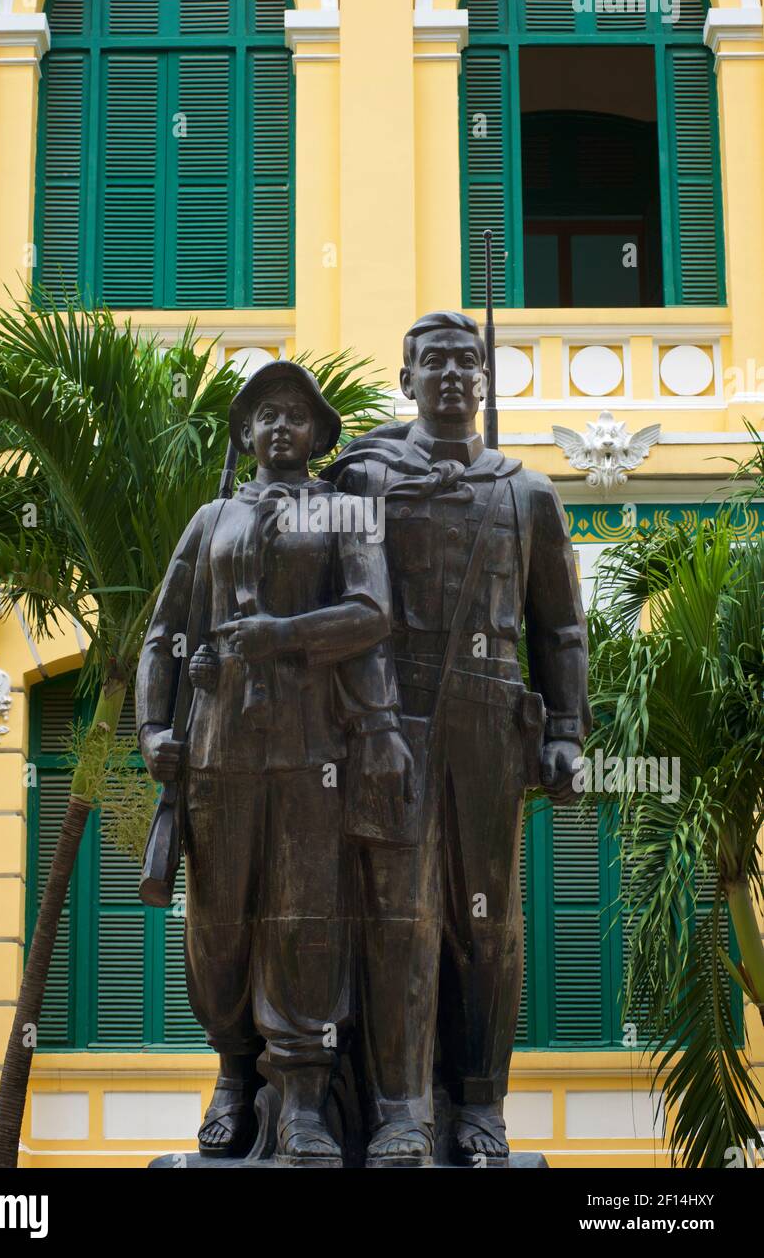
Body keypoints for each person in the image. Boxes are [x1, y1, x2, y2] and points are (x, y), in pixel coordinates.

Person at [326, 311, 591, 1165]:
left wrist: (566, 731)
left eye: (465, 361)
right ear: (405, 381)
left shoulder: (527, 492)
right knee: (397, 918)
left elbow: (560, 629)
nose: (450, 373)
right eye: (432, 361)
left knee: (488, 922)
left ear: (483, 381)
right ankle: (400, 1110)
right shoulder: (360, 479)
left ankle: (479, 1103)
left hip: (488, 719)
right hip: (387, 715)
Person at [136, 361, 412, 1168]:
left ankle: (300, 1104)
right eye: (265, 416)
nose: (280, 427)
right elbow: (165, 632)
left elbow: (372, 612)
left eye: (296, 415)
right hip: (217, 751)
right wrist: (154, 729)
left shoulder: (345, 512)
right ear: (247, 435)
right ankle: (230, 1074)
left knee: (304, 926)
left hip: (311, 749)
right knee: (217, 930)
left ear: (319, 434)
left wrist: (282, 637)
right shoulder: (210, 518)